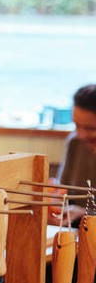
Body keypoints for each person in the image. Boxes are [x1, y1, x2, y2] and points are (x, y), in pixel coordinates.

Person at [56, 84, 96, 225]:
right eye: (77, 125)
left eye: (90, 128)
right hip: (75, 226)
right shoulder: (75, 142)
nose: (81, 134)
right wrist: (54, 199)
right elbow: (62, 190)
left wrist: (85, 213)